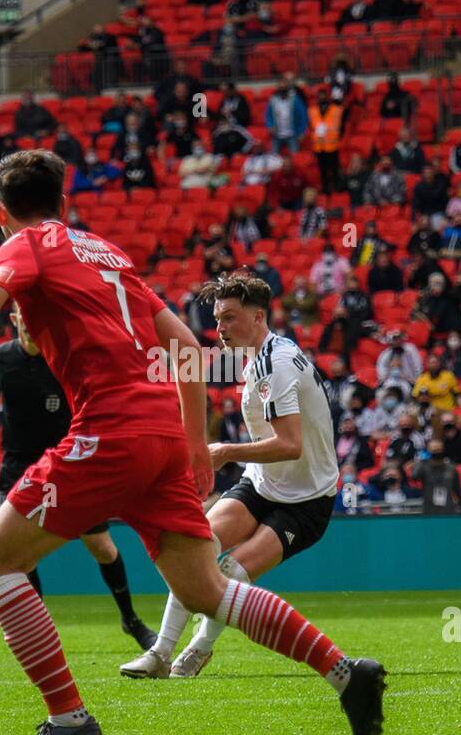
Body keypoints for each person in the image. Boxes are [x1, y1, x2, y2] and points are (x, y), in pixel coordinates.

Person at [0, 149, 385, 735]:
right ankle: (346, 672)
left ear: (0, 212)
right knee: (205, 589)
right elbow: (188, 344)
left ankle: (69, 719)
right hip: (161, 435)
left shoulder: (24, 245)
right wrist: (193, 444)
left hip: (108, 435)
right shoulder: (106, 251)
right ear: (64, 202)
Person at [122, 274, 339, 679]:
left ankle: (198, 648)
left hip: (306, 501)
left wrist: (223, 452)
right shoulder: (257, 356)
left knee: (232, 571)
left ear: (259, 317)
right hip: (262, 483)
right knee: (195, 546)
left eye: (230, 317)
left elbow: (290, 444)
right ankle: (159, 654)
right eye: (217, 317)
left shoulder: (275, 365)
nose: (219, 328)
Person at [0, 306, 155, 648]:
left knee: (101, 546)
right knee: (18, 553)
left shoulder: (64, 358)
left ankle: (130, 620)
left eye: (34, 319)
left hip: (67, 462)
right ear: (14, 320)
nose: (29, 326)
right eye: (23, 320)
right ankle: (38, 630)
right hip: (19, 465)